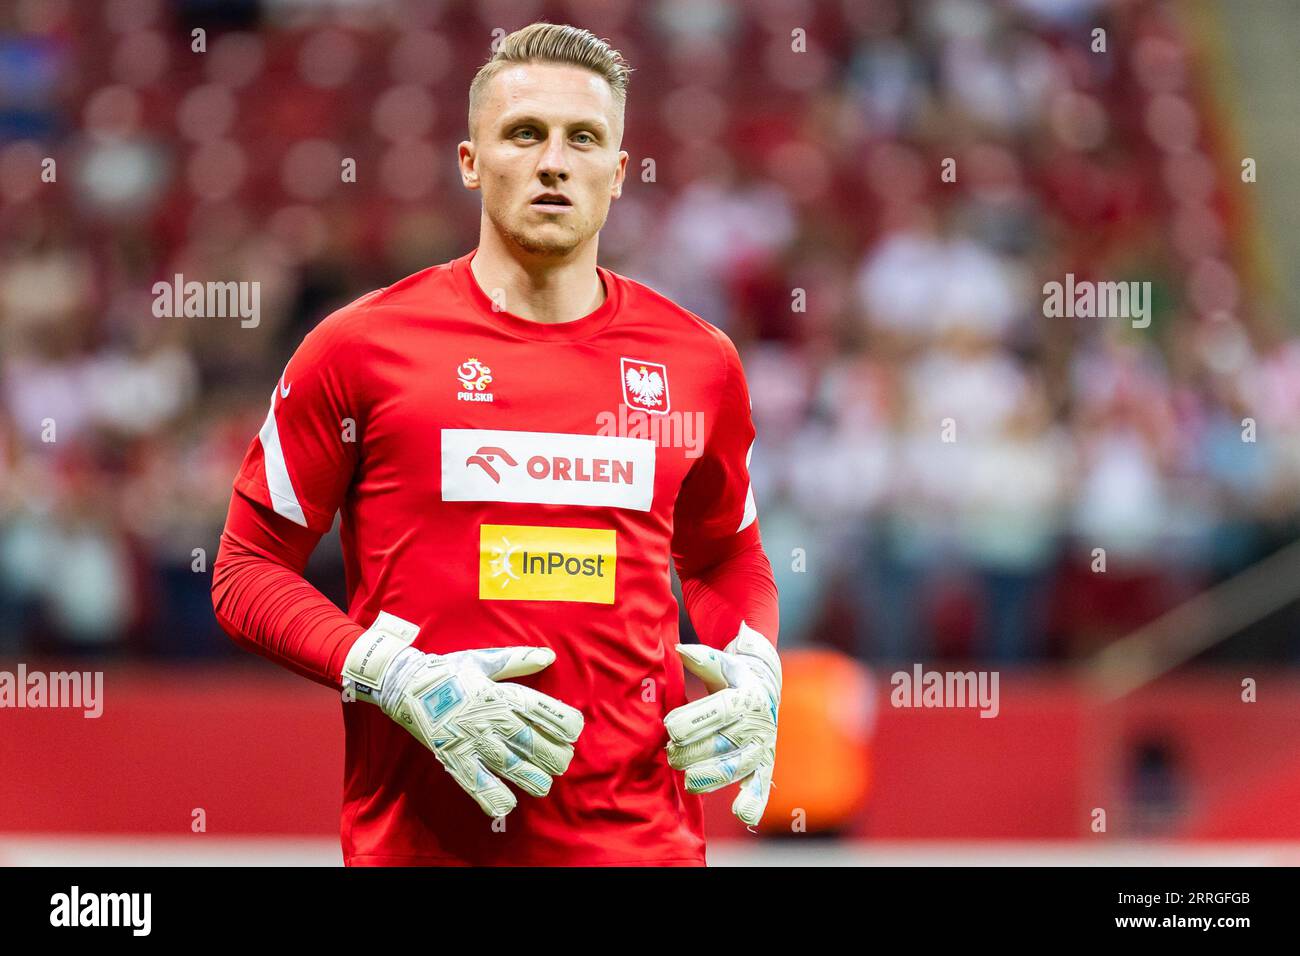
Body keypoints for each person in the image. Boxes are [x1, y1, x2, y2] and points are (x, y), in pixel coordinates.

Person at [211, 22, 780, 866]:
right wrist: (387, 674)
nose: (554, 161)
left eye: (583, 139)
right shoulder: (359, 349)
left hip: (642, 844)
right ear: (471, 161)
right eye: (525, 134)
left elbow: (726, 555)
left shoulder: (698, 363)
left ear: (618, 173)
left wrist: (758, 668)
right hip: (423, 846)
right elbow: (245, 571)